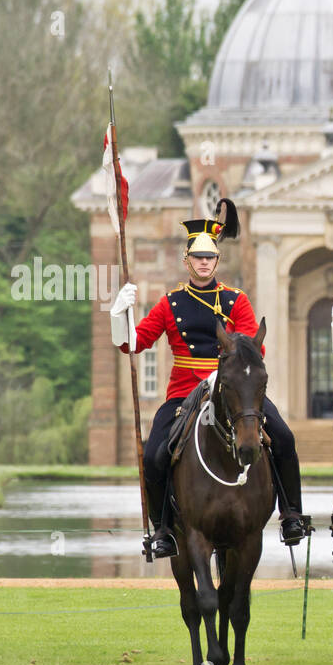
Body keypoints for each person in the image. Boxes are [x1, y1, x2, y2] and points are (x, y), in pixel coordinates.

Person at [109, 200, 309, 559]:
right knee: (154, 455)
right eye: (197, 257)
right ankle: (164, 529)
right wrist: (118, 314)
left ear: (217, 261)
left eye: (210, 257)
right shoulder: (170, 303)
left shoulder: (236, 300)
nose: (204, 263)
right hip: (184, 392)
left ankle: (291, 514)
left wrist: (221, 376)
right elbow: (133, 344)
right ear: (187, 261)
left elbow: (249, 349)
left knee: (283, 437)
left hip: (233, 390)